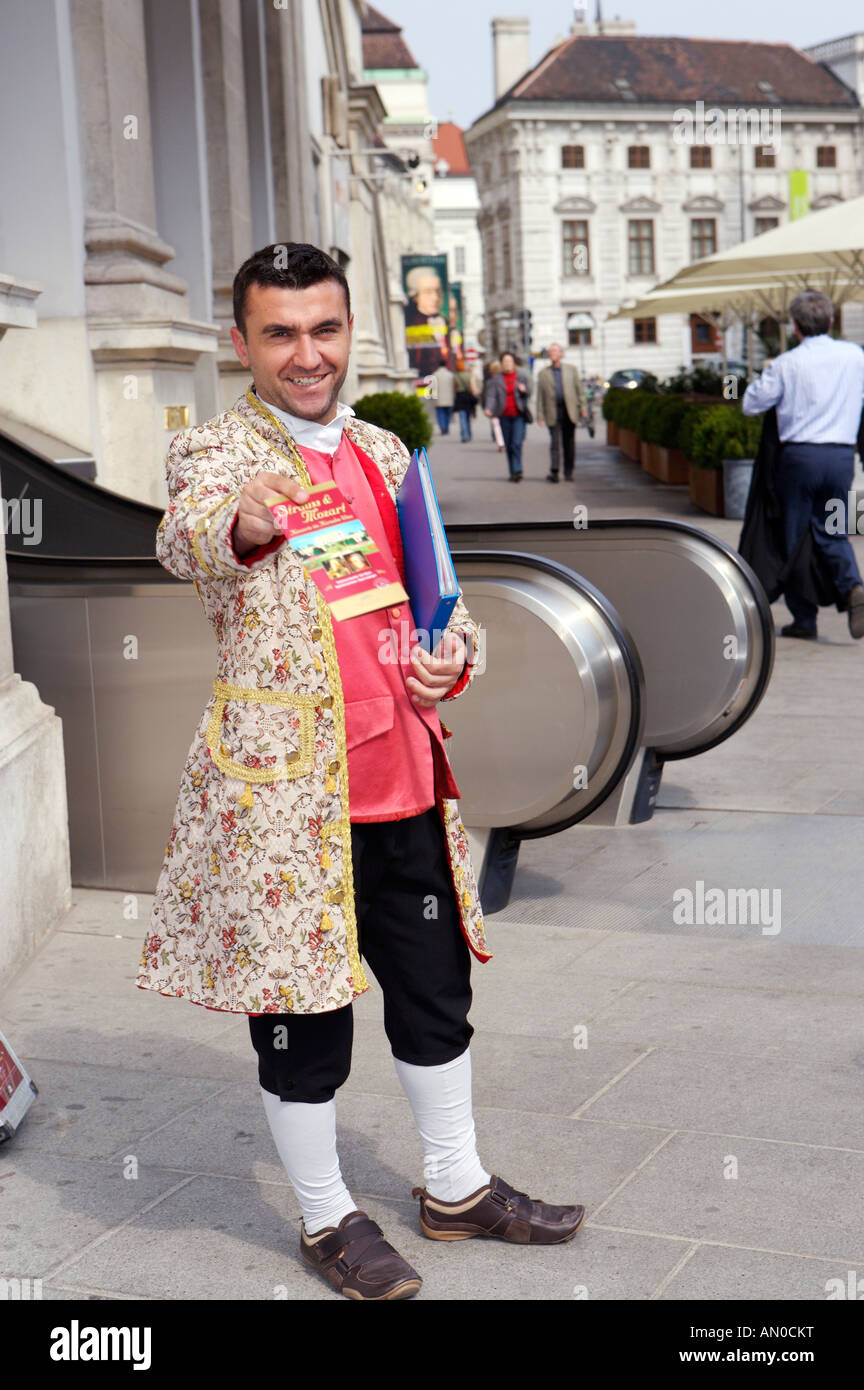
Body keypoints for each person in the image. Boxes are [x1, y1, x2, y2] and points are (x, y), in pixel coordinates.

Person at [137, 241, 585, 1302]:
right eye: (281, 333)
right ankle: (328, 1213)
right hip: (289, 799)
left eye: (325, 329)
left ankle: (456, 1185)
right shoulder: (213, 453)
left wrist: (451, 653)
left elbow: (436, 599)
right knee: (303, 1011)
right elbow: (185, 536)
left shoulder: (388, 454)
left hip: (405, 776)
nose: (307, 355)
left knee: (434, 988)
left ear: (350, 331)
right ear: (239, 341)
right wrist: (241, 523)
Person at [741, 289, 864, 640]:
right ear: (832, 320)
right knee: (833, 528)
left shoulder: (786, 363)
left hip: (799, 458)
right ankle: (852, 585)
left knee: (793, 537)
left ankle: (805, 620)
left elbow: (750, 404)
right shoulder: (855, 356)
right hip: (842, 456)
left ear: (795, 326)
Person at [536, 344, 588, 481]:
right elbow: (540, 396)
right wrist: (540, 415)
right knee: (555, 443)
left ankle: (568, 471)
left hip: (569, 411)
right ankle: (554, 471)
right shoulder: (543, 373)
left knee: (569, 443)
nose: (553, 353)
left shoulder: (571, 370)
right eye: (551, 351)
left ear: (561, 354)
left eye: (555, 351)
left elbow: (579, 391)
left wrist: (583, 408)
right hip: (552, 411)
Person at [485, 351, 532, 480]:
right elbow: (491, 396)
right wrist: (488, 408)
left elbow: (528, 393)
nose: (507, 364)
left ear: (513, 363)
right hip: (504, 415)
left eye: (510, 361)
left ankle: (518, 469)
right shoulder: (497, 379)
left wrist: (524, 390)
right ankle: (512, 471)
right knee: (509, 444)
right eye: (505, 362)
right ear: (501, 364)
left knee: (517, 443)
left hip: (518, 414)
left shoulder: (520, 377)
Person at [452, 360, 477, 442]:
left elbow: (454, 389)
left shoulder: (455, 376)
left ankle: (464, 435)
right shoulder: (469, 375)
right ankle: (468, 434)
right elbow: (473, 388)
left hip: (460, 397)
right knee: (467, 417)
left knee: (462, 417)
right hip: (468, 397)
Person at [484, 360, 505, 451]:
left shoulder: (489, 381)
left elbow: (486, 395)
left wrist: (487, 407)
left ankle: (500, 443)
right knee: (502, 424)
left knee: (496, 425)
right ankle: (503, 441)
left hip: (493, 406)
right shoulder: (503, 379)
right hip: (502, 405)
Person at [431, 361, 455, 435]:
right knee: (448, 414)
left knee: (440, 414)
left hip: (439, 398)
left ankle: (442, 426)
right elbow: (453, 387)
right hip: (449, 398)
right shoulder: (450, 375)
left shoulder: (435, 375)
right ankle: (446, 428)